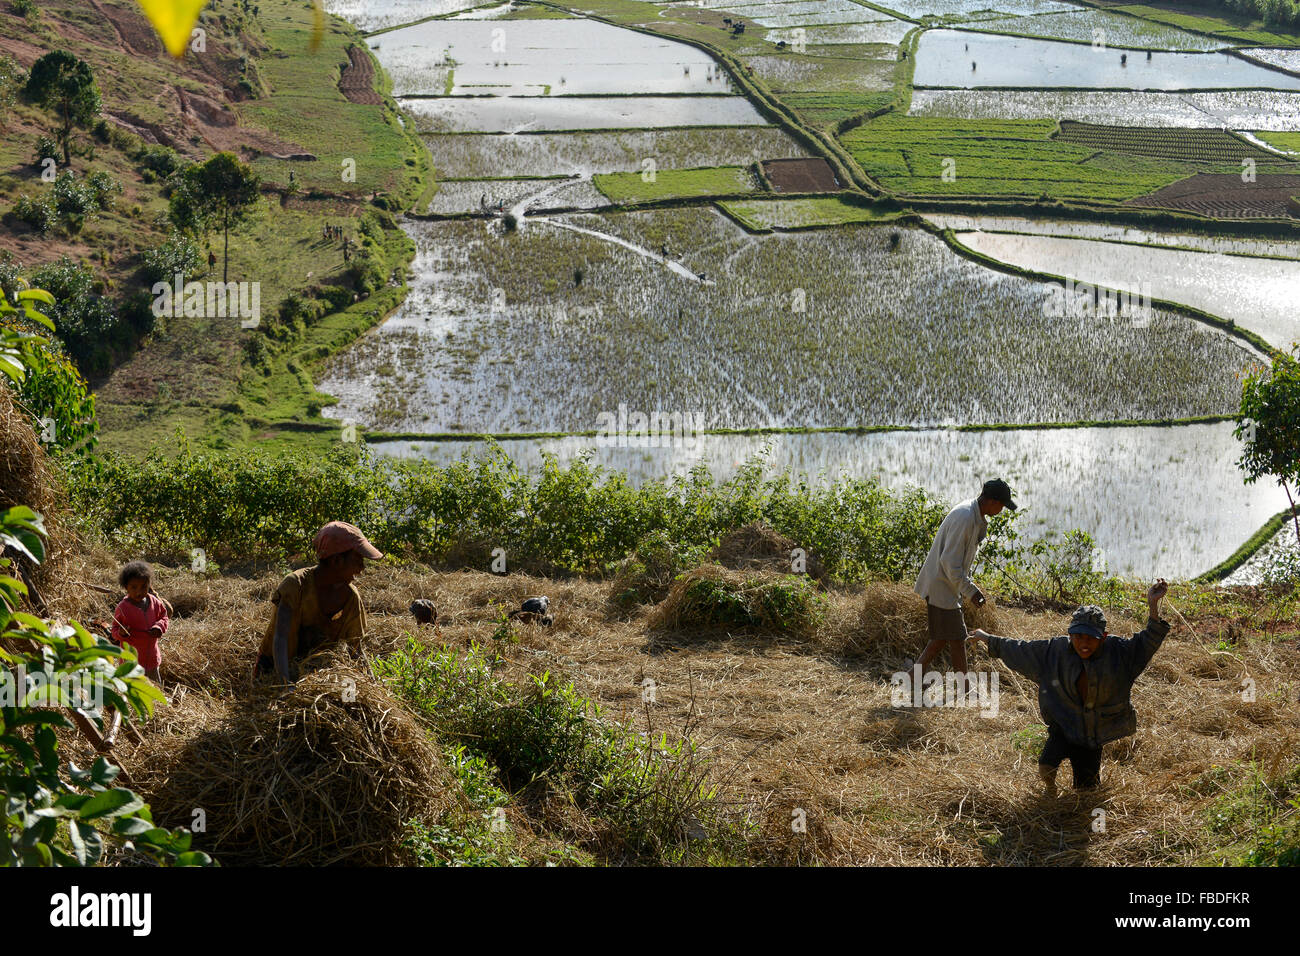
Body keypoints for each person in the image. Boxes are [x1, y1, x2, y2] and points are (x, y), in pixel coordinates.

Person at [970, 580, 1170, 794]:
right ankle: (1050, 790)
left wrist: (1153, 606)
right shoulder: (1054, 651)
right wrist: (986, 638)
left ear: (1102, 637)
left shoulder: (1120, 654)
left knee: (1086, 789)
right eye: (1078, 637)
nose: (1084, 643)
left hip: (1093, 736)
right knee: (1046, 765)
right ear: (1070, 634)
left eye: (1090, 638)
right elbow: (1020, 649)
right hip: (1064, 724)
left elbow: (1148, 640)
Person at [910, 478, 1016, 676]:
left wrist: (966, 588)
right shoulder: (966, 518)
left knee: (946, 637)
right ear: (992, 501)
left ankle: (913, 676)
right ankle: (963, 686)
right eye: (1002, 505)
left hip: (946, 585)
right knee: (957, 637)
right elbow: (950, 563)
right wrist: (971, 591)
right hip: (940, 586)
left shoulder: (972, 515)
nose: (1001, 510)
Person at [254, 521, 383, 684]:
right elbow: (281, 638)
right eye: (358, 560)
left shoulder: (351, 598)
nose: (362, 567)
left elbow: (355, 648)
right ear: (337, 561)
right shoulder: (296, 585)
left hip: (314, 675)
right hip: (274, 668)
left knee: (346, 700)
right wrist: (284, 684)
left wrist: (371, 684)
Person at [110, 561, 169, 686]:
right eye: (134, 587)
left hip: (152, 659)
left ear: (149, 585)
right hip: (131, 663)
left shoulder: (154, 602)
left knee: (155, 690)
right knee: (134, 691)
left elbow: (164, 617)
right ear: (126, 587)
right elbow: (114, 630)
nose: (139, 592)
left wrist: (159, 627)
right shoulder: (123, 608)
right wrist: (121, 633)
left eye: (143, 586)